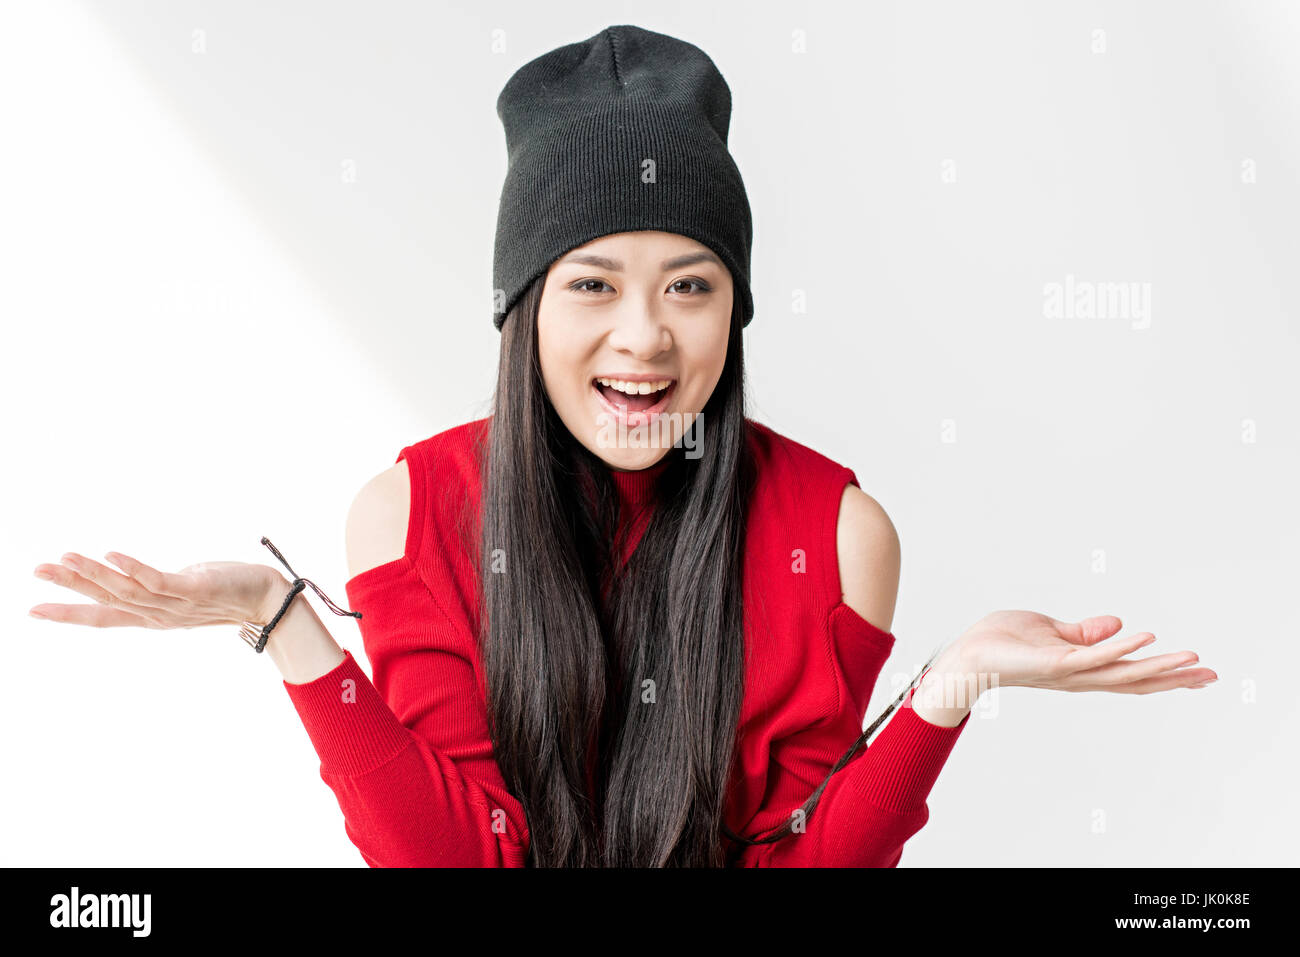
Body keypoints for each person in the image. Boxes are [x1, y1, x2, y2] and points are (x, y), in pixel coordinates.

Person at [29, 25, 1215, 868]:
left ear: (734, 308)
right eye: (593, 282)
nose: (644, 337)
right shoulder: (411, 508)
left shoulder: (838, 533)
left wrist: (947, 690)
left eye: (689, 285)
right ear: (524, 307)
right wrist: (282, 621)